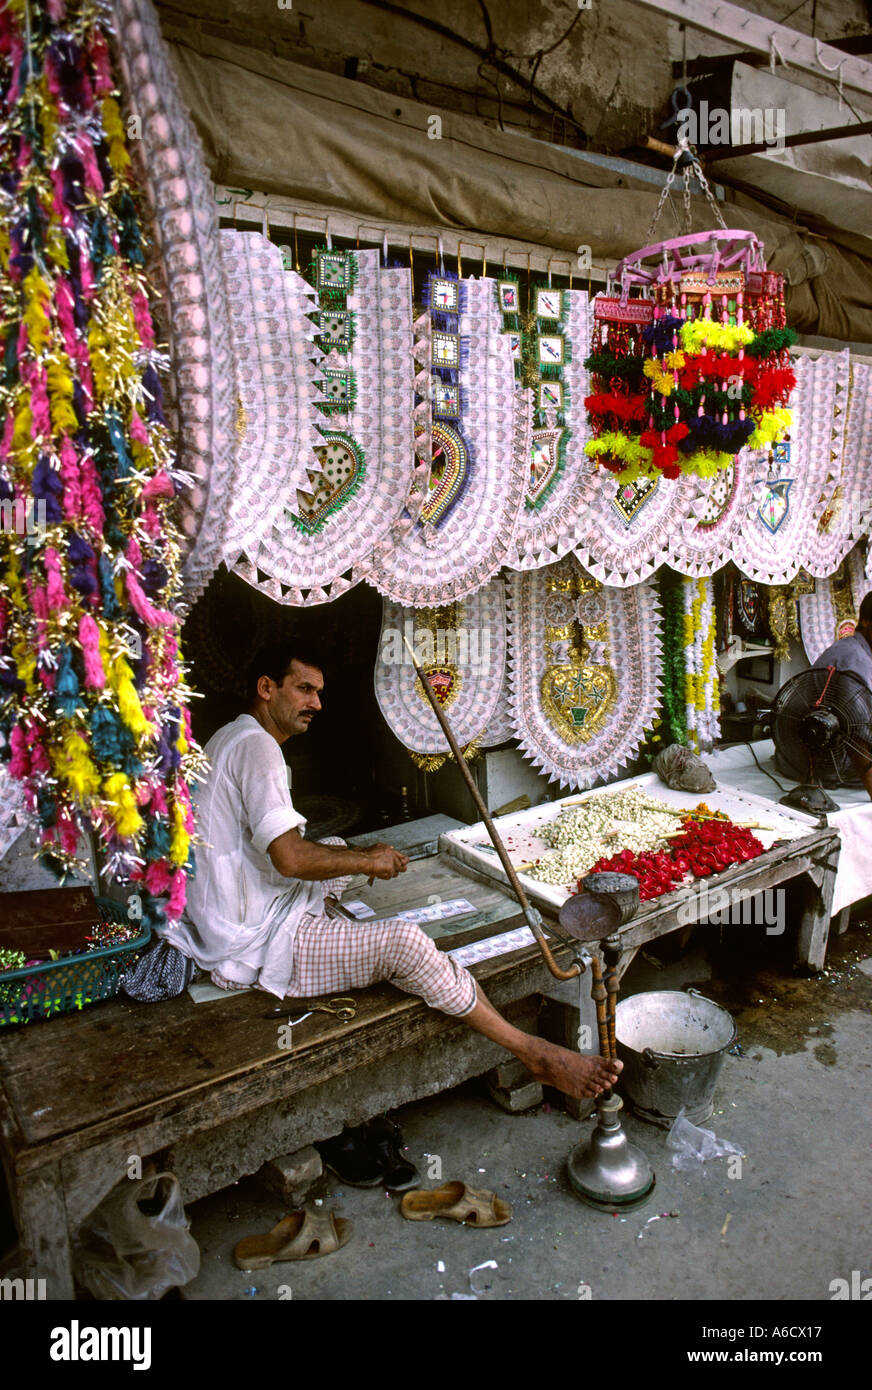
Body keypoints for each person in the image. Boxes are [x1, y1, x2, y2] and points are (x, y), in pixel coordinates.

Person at [164, 642, 621, 1102]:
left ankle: (356, 930)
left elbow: (282, 851)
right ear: (267, 688)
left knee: (340, 847)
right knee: (405, 944)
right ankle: (532, 1051)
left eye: (319, 693)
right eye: (304, 690)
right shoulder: (257, 749)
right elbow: (291, 859)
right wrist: (368, 862)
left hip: (238, 906)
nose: (316, 704)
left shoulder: (234, 736)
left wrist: (359, 854)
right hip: (253, 938)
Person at [812, 591, 872, 800]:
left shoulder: (861, 650)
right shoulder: (854, 661)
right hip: (830, 762)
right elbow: (856, 737)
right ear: (864, 621)